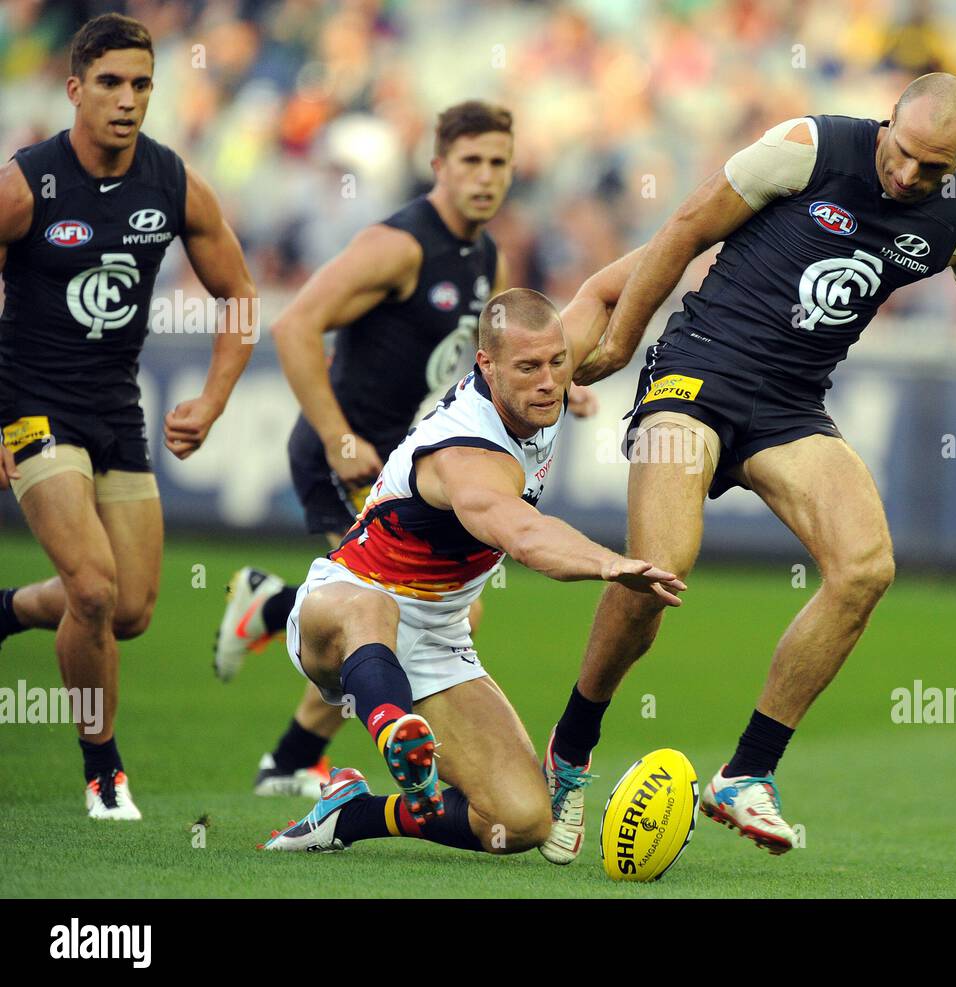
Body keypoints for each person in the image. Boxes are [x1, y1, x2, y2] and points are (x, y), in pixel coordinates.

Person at [540, 72, 956, 860]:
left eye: (933, 166)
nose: (908, 176)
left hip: (789, 408)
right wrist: (618, 345)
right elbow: (682, 230)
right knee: (658, 571)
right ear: (887, 122)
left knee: (865, 567)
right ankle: (571, 752)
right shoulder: (807, 149)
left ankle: (747, 774)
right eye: (904, 153)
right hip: (696, 373)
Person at [212, 101, 600, 797]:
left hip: (416, 455)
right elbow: (295, 325)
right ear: (438, 167)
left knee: (421, 608)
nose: (485, 177)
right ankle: (299, 752)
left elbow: (492, 357)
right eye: (470, 162)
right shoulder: (399, 246)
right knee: (389, 607)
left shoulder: (487, 255)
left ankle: (271, 617)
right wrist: (338, 436)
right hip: (352, 452)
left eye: (498, 163)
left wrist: (556, 388)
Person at [262, 265, 685, 860]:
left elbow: (609, 290)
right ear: (486, 366)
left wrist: (710, 228)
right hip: (339, 610)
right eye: (529, 369)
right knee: (373, 606)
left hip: (436, 639)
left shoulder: (545, 366)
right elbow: (524, 534)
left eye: (559, 363)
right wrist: (610, 565)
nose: (549, 383)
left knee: (521, 822)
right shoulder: (466, 450)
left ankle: (355, 813)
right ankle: (392, 730)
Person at [0, 14, 258, 819]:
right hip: (31, 403)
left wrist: (214, 399)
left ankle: (6, 609)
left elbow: (241, 299)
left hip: (117, 407)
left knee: (132, 610)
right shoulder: (25, 185)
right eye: (110, 83)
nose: (127, 99)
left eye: (142, 84)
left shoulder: (172, 182)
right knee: (94, 586)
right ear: (74, 89)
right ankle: (103, 768)